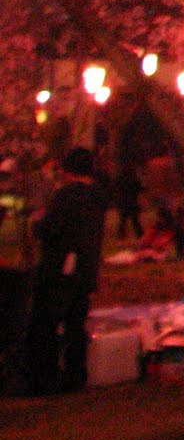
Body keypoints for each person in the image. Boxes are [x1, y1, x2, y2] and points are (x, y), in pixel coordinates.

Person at [24, 147, 106, 394]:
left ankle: (44, 379)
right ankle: (75, 375)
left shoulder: (67, 196)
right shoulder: (97, 197)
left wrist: (38, 222)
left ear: (67, 170)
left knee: (46, 323)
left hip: (60, 270)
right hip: (86, 269)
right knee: (75, 325)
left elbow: (52, 229)